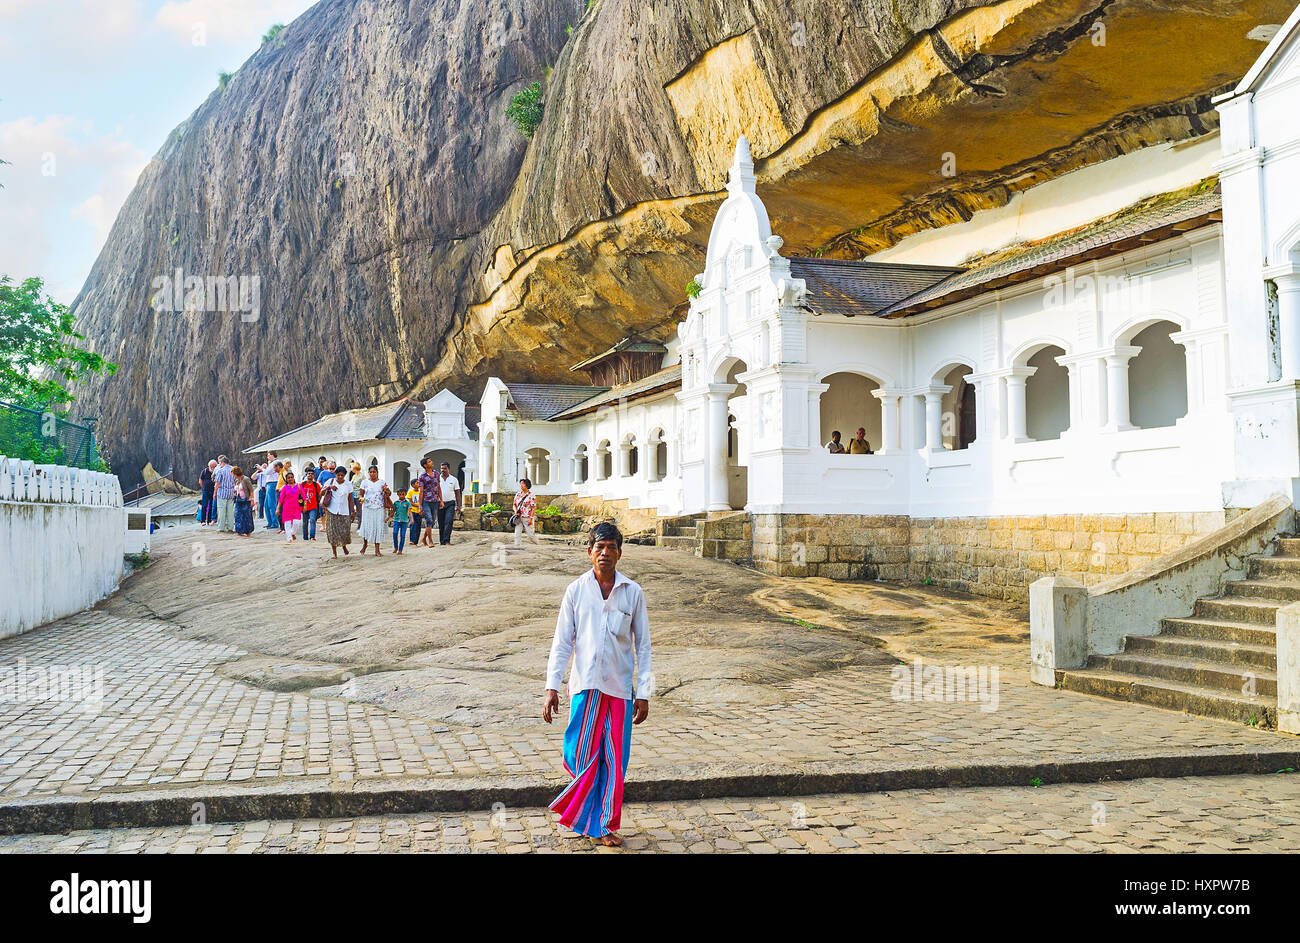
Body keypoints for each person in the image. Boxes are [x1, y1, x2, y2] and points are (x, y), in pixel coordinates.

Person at [543, 522, 651, 847]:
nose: (605, 553)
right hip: (584, 687)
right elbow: (562, 643)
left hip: (619, 690)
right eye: (599, 547)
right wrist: (552, 686)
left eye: (611, 547)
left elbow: (642, 645)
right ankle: (584, 811)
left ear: (620, 553)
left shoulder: (633, 592)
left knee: (614, 760)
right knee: (580, 754)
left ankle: (604, 824)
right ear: (589, 552)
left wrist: (643, 693)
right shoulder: (575, 591)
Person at [321, 467, 353, 557]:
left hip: (344, 511)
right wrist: (329, 487)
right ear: (335, 474)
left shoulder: (348, 484)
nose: (339, 477)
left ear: (345, 475)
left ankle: (344, 546)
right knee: (332, 532)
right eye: (338, 475)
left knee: (344, 531)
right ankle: (334, 552)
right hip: (332, 510)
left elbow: (350, 499)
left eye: (342, 475)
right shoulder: (330, 481)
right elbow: (321, 493)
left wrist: (352, 511)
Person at [358, 465, 390, 556]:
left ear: (377, 472)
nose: (372, 474)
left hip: (379, 508)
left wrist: (386, 489)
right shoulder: (364, 482)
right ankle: (365, 544)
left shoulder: (382, 482)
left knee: (378, 527)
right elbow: (360, 494)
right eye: (370, 472)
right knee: (366, 527)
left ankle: (377, 549)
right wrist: (361, 499)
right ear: (368, 473)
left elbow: (389, 493)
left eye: (374, 472)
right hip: (368, 507)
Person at [435, 461, 461, 546]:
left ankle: (447, 540)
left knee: (449, 521)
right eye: (441, 468)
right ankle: (442, 541)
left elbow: (457, 493)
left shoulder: (454, 480)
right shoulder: (437, 479)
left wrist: (459, 506)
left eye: (445, 468)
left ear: (448, 469)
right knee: (441, 522)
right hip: (439, 504)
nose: (443, 470)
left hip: (450, 503)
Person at [416, 458, 439, 548]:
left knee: (432, 521)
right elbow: (421, 492)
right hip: (426, 501)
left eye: (431, 461)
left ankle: (424, 538)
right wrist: (420, 506)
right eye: (429, 461)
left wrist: (441, 500)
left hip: (435, 500)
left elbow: (438, 487)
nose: (431, 462)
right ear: (425, 465)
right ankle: (430, 541)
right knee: (429, 519)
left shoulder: (436, 474)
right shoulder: (422, 477)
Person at [213, 454, 237, 532]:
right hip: (231, 492)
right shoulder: (233, 469)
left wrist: (215, 492)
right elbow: (236, 480)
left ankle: (221, 527)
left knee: (221, 510)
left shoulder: (221, 470)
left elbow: (217, 483)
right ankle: (230, 527)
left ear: (223, 463)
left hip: (222, 492)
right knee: (230, 511)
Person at [513, 477, 539, 547]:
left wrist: (531, 518)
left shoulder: (531, 495)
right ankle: (517, 546)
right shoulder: (518, 494)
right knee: (517, 534)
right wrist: (516, 511)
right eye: (520, 483)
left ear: (527, 485)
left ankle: (537, 544)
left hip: (527, 517)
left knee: (530, 535)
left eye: (523, 484)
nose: (521, 485)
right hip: (519, 517)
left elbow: (533, 508)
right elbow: (514, 505)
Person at [278, 470, 303, 542]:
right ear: (286, 479)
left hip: (296, 508)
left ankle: (292, 533)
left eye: (291, 477)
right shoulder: (284, 488)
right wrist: (278, 509)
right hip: (287, 508)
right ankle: (289, 538)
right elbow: (281, 499)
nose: (290, 479)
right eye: (288, 478)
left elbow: (304, 497)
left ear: (294, 478)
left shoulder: (298, 486)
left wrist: (305, 505)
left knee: (296, 523)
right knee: (287, 523)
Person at [233, 466, 255, 536]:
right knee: (238, 515)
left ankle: (248, 531)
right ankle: (239, 530)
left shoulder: (245, 479)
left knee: (247, 516)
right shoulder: (237, 481)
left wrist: (252, 500)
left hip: (246, 500)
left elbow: (251, 490)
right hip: (238, 500)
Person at [301, 469, 321, 540]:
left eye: (312, 474)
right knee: (305, 522)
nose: (310, 475)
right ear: (306, 475)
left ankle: (312, 536)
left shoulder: (316, 485)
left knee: (312, 520)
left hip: (313, 506)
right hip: (304, 507)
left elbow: (319, 495)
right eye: (308, 473)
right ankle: (305, 537)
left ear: (314, 476)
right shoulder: (302, 484)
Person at [392, 488, 411, 554]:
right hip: (396, 520)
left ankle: (400, 550)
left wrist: (412, 519)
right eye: (400, 494)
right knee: (394, 533)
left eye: (403, 494)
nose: (401, 496)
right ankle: (396, 547)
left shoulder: (407, 503)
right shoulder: (396, 503)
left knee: (402, 535)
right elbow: (393, 511)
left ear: (405, 494)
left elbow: (409, 511)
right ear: (397, 495)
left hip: (404, 521)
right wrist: (388, 517)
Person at [198, 460, 216, 526]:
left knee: (211, 505)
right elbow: (200, 480)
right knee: (204, 505)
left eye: (214, 466)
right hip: (205, 490)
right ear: (209, 466)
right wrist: (203, 487)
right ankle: (203, 521)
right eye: (212, 466)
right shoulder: (204, 471)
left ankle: (209, 520)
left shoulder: (217, 471)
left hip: (213, 491)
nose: (213, 467)